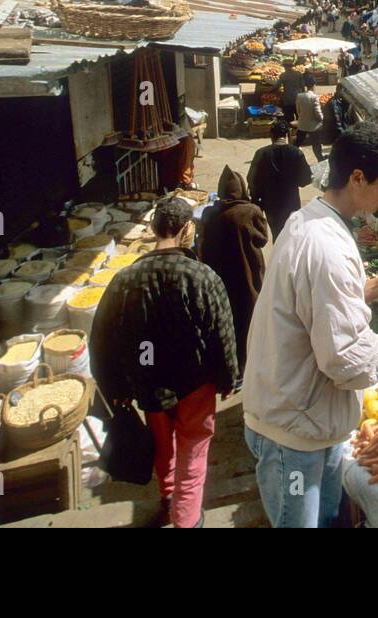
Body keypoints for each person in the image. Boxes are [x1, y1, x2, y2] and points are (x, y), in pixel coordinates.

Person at [242, 123, 378, 528]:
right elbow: (350, 362)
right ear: (357, 177)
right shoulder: (325, 246)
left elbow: (317, 304)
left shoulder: (309, 219)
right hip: (292, 434)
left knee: (330, 518)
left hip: (307, 421)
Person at [90, 196, 238, 528]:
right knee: (193, 450)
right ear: (188, 229)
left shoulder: (124, 280)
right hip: (195, 384)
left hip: (148, 388)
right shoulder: (202, 276)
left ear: (154, 228)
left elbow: (101, 340)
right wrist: (229, 378)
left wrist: (116, 388)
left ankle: (168, 496)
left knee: (163, 445)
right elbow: (223, 334)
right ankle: (186, 520)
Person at [199, 168, 269, 373]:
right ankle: (250, 361)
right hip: (248, 271)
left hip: (221, 273)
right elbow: (263, 239)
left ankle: (233, 364)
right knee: (249, 313)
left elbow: (202, 241)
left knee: (228, 317)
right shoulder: (250, 211)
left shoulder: (209, 212)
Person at [247, 120, 314, 239]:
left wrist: (256, 198)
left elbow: (252, 179)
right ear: (287, 134)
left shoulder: (262, 153)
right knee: (293, 237)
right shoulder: (296, 153)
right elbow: (306, 179)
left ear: (271, 135)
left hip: (270, 204)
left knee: (277, 237)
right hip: (291, 203)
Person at [294, 73, 326, 162]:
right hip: (313, 126)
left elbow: (298, 111)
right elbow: (318, 113)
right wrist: (322, 119)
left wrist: (302, 118)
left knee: (298, 143)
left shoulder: (299, 96)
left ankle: (292, 159)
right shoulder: (314, 97)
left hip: (302, 124)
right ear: (313, 85)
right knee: (316, 146)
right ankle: (320, 159)